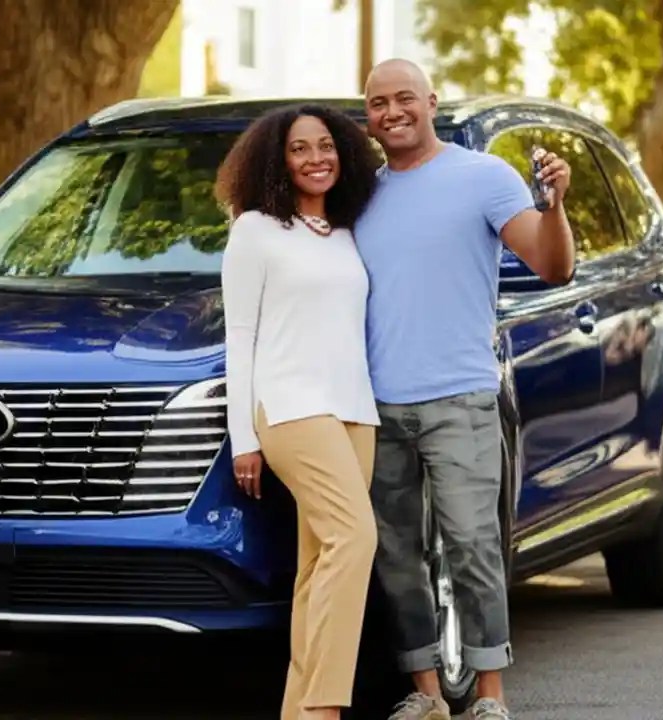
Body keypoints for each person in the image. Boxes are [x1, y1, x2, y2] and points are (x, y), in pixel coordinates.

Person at [354, 59, 576, 720]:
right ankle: (426, 695)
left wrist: (554, 207)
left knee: (473, 548)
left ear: (430, 101)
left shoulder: (483, 176)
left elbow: (552, 263)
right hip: (379, 404)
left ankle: (488, 697)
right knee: (396, 556)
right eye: (376, 103)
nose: (391, 112)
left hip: (461, 398)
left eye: (403, 99)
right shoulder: (360, 194)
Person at [214, 104, 383, 720]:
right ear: (276, 161)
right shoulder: (255, 230)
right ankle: (326, 706)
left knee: (317, 564)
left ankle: (298, 711)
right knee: (355, 536)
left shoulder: (346, 231)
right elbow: (241, 337)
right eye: (299, 149)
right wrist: (242, 439)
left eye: (325, 145)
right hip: (289, 406)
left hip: (354, 409)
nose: (316, 158)